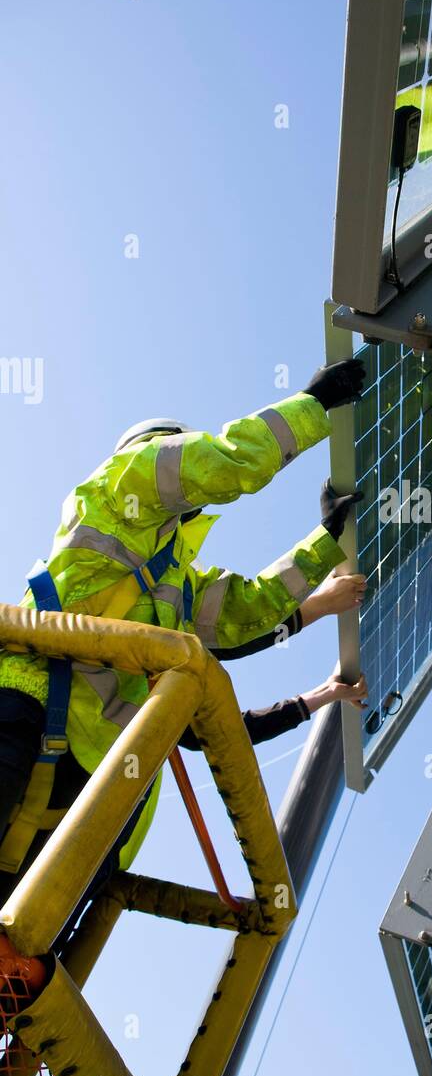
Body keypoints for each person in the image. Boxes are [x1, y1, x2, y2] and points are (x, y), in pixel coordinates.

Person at [0, 359, 367, 895]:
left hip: (88, 774)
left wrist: (324, 541)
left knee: (26, 948)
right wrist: (312, 407)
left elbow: (249, 612)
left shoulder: (178, 586)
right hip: (25, 715)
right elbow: (212, 464)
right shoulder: (115, 486)